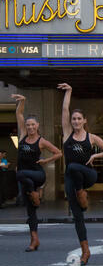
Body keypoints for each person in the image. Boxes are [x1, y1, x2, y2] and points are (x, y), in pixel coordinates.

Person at [58, 82, 103, 265]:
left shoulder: (91, 138)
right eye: (73, 119)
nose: (75, 121)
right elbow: (65, 110)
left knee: (73, 167)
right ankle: (85, 250)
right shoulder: (67, 134)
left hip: (89, 175)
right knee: (77, 216)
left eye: (78, 119)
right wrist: (69, 91)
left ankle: (83, 193)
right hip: (72, 179)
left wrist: (96, 154)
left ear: (84, 121)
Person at [11, 94, 62, 252]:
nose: (30, 127)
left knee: (19, 174)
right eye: (28, 125)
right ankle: (34, 240)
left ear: (37, 125)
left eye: (33, 125)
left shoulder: (41, 141)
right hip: (27, 181)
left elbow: (58, 153)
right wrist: (23, 101)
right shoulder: (22, 137)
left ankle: (36, 193)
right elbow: (19, 114)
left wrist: (46, 161)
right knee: (30, 211)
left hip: (38, 176)